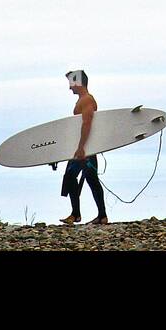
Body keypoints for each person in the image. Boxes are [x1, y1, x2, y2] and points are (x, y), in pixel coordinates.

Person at [60, 69, 108, 225]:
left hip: (85, 150)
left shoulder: (87, 100)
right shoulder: (82, 100)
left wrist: (81, 148)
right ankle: (87, 215)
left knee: (86, 179)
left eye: (71, 83)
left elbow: (87, 123)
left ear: (78, 82)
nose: (69, 88)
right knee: (79, 178)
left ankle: (88, 215)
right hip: (83, 148)